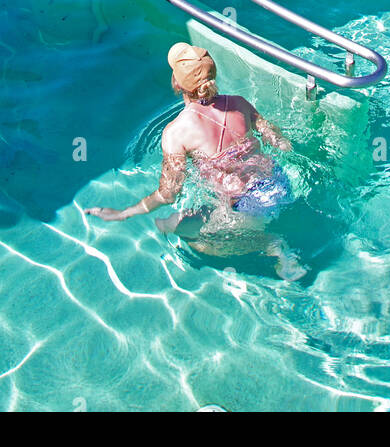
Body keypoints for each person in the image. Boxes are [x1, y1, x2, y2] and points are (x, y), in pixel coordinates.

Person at [86, 44, 303, 278]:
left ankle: (271, 246)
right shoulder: (240, 103)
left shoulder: (176, 132)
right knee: (190, 217)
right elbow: (279, 142)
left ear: (177, 84)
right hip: (279, 182)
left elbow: (169, 193)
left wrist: (125, 212)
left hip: (246, 204)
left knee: (188, 235)